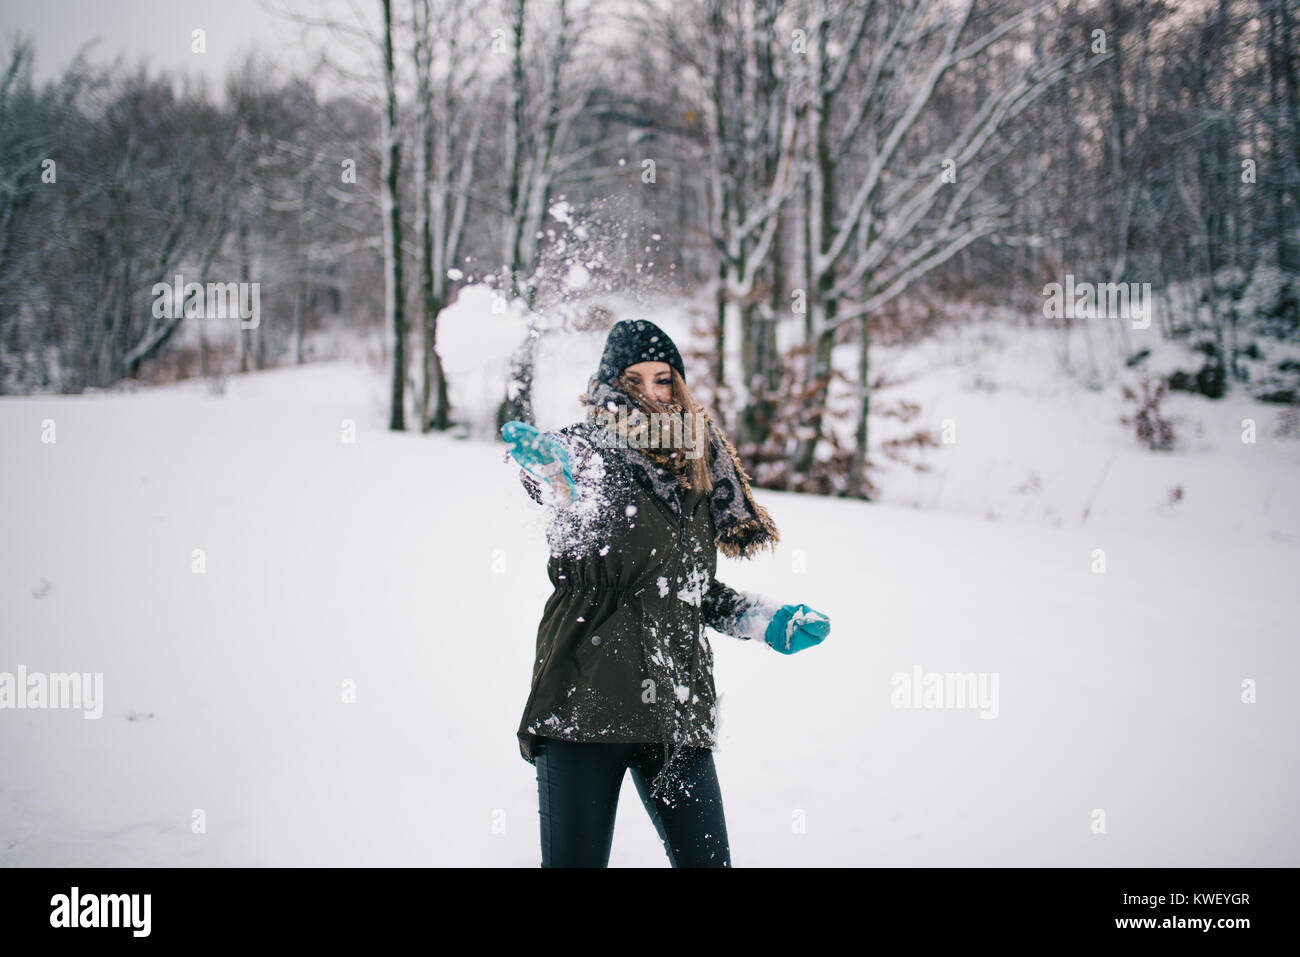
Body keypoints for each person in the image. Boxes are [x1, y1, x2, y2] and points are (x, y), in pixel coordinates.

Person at [502, 317, 830, 867]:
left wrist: (762, 618)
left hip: (676, 711)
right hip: (587, 704)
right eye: (634, 381)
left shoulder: (694, 469)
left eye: (663, 379)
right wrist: (552, 475)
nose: (652, 394)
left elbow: (689, 590)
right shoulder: (587, 451)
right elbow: (561, 487)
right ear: (608, 387)